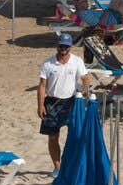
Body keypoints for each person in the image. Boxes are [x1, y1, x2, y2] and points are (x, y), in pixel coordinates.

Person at [38, 34, 90, 174]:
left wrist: (85, 91)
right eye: (61, 46)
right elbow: (42, 85)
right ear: (57, 46)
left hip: (71, 101)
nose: (63, 49)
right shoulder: (47, 63)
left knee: (76, 134)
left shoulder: (77, 61)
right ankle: (57, 167)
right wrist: (40, 105)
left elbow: (85, 78)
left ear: (70, 47)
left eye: (66, 46)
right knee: (53, 137)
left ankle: (74, 164)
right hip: (52, 103)